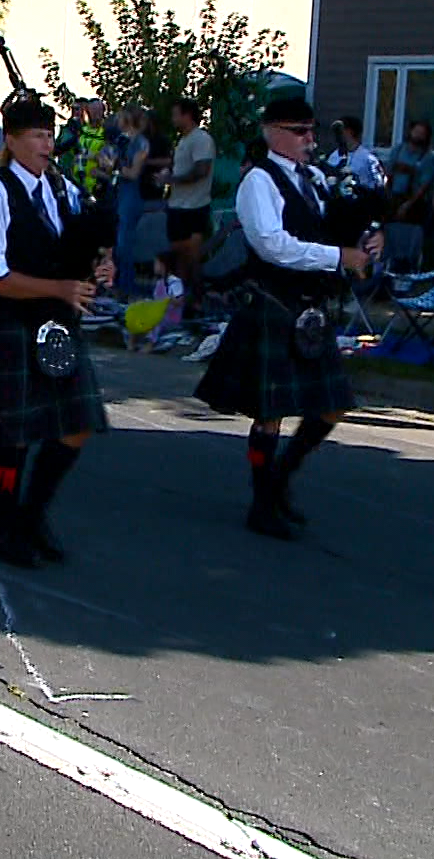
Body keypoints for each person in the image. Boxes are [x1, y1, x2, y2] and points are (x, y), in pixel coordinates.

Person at [195, 98, 380, 541]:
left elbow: (337, 221)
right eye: (300, 131)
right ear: (272, 132)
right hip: (272, 303)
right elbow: (273, 245)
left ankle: (279, 480)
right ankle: (262, 502)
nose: (310, 139)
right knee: (269, 414)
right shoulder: (259, 182)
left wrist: (370, 234)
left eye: (311, 131)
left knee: (331, 405)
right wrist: (338, 256)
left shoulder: (314, 177)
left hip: (309, 308)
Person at [0, 96, 112, 568]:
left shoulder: (62, 190)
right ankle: (6, 528)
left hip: (57, 323)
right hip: (9, 325)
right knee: (13, 435)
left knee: (78, 426)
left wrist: (100, 263)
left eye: (50, 134)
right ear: (13, 140)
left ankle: (33, 513)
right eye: (37, 135)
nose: (47, 143)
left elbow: (74, 244)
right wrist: (59, 286)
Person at [165, 99, 216, 307]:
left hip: (193, 208)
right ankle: (182, 301)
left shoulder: (201, 139)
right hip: (178, 206)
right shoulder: (184, 140)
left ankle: (197, 300)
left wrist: (173, 180)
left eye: (176, 114)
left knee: (192, 257)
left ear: (187, 115)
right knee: (178, 257)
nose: (173, 119)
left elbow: (201, 170)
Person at [110, 105, 150, 298]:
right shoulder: (121, 141)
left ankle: (127, 286)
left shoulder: (141, 143)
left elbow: (134, 173)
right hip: (120, 193)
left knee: (125, 242)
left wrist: (114, 167)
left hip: (131, 195)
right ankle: (119, 284)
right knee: (117, 241)